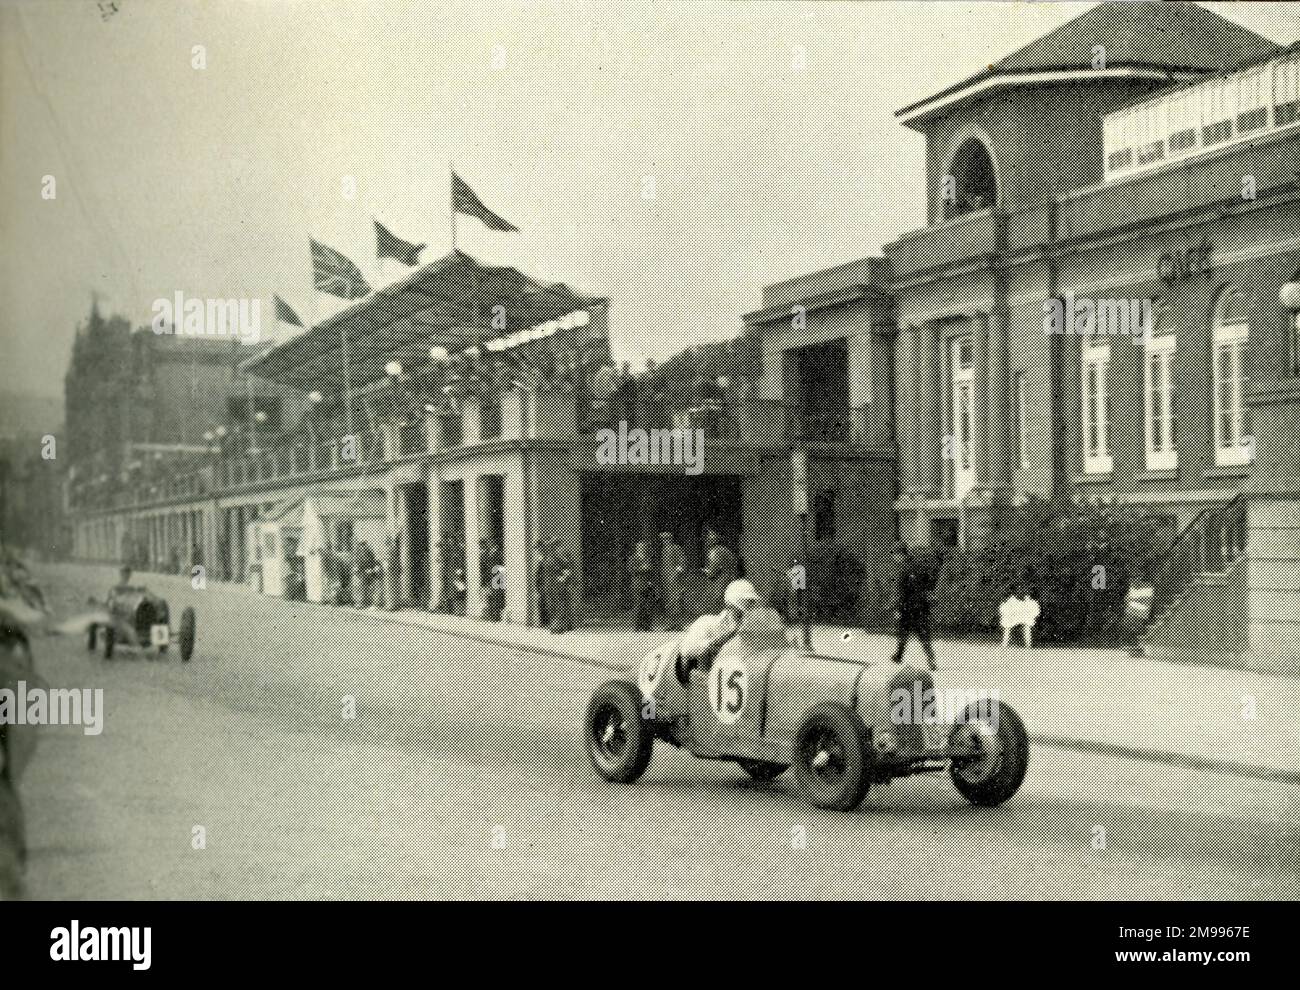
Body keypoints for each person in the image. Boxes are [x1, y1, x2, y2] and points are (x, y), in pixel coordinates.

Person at [678, 578, 761, 677]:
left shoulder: (752, 628)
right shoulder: (707, 622)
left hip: (742, 676)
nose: (749, 608)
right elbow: (686, 650)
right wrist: (715, 642)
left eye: (751, 603)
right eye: (747, 602)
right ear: (731, 606)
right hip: (707, 678)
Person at [889, 544, 937, 671]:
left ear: (900, 555)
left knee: (903, 631)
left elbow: (901, 591)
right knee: (923, 633)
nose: (894, 558)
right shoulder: (919, 565)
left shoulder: (902, 569)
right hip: (921, 605)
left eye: (895, 555)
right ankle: (930, 657)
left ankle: (899, 656)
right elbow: (929, 582)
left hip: (907, 606)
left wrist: (898, 608)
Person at [702, 529, 738, 614]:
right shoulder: (725, 550)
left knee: (717, 601)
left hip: (722, 579)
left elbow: (713, 570)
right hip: (732, 578)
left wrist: (706, 571)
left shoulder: (714, 552)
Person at [658, 531, 685, 631]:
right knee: (668, 601)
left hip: (674, 579)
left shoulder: (675, 548)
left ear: (670, 539)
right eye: (663, 540)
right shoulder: (664, 550)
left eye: (666, 539)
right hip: (666, 579)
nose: (665, 541)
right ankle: (671, 624)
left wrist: (677, 571)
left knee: (675, 601)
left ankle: (677, 624)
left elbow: (682, 560)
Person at [547, 539, 574, 634]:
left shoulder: (561, 558)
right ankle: (556, 626)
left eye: (554, 546)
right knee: (553, 606)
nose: (553, 548)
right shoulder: (550, 558)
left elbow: (568, 570)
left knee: (560, 606)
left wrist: (562, 579)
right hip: (551, 586)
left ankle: (558, 627)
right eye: (552, 546)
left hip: (559, 586)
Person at [628, 541, 655, 631]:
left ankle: (647, 627)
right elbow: (631, 570)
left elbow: (651, 571)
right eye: (640, 547)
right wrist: (642, 568)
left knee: (648, 606)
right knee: (638, 606)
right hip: (637, 585)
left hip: (647, 585)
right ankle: (636, 627)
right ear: (637, 548)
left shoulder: (647, 558)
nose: (642, 549)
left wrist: (650, 581)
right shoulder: (633, 558)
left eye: (644, 548)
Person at [352, 541, 380, 609]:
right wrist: (356, 567)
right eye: (361, 545)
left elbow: (372, 560)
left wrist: (371, 568)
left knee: (367, 587)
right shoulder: (358, 552)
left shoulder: (368, 551)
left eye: (363, 545)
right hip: (361, 571)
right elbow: (357, 561)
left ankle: (366, 603)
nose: (362, 546)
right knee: (359, 587)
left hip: (367, 571)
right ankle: (360, 603)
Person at [533, 539, 551, 628]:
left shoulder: (546, 558)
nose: (538, 551)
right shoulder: (540, 558)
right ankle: (543, 623)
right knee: (541, 603)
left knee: (547, 603)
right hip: (541, 585)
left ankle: (547, 623)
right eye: (537, 549)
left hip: (546, 584)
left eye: (539, 548)